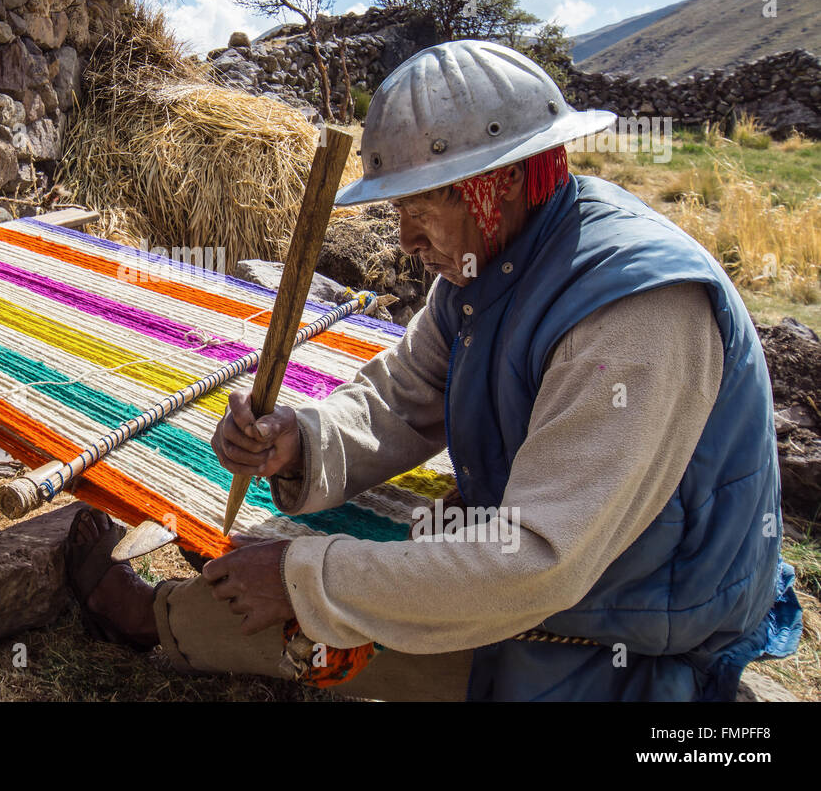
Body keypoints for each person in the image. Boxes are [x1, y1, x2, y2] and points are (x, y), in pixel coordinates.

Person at [65, 39, 802, 700]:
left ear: (498, 181)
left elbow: (536, 565)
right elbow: (403, 396)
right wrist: (301, 440)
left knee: (280, 598)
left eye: (422, 206)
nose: (407, 237)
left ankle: (153, 619)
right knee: (285, 555)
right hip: (574, 555)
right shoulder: (490, 265)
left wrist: (305, 581)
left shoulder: (634, 311)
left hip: (635, 616)